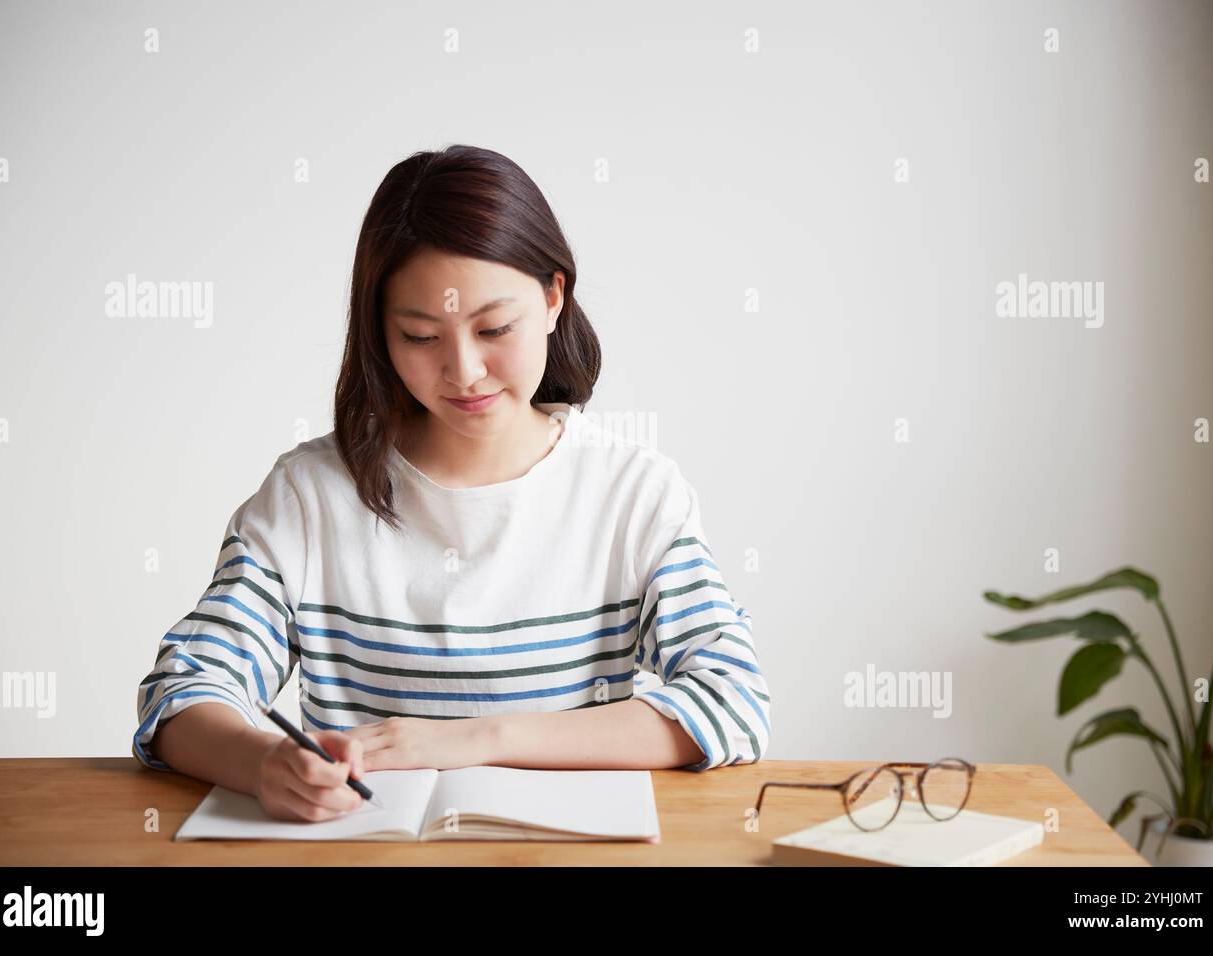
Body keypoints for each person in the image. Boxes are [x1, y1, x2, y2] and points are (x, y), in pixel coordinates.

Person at [132, 144, 770, 822]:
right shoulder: (309, 497)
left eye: (494, 327)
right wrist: (262, 764)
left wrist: (477, 739)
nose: (464, 371)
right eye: (419, 336)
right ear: (380, 331)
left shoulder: (633, 496)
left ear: (554, 297)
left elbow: (732, 701)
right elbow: (182, 688)